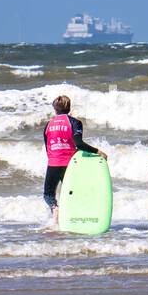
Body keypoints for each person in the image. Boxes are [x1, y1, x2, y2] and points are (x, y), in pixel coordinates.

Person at [42, 95, 107, 226]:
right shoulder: (74, 123)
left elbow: (47, 147)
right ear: (69, 107)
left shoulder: (48, 125)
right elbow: (79, 144)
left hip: (53, 163)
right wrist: (97, 151)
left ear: (55, 109)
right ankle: (77, 220)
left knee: (48, 195)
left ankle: (56, 214)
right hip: (70, 164)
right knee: (72, 193)